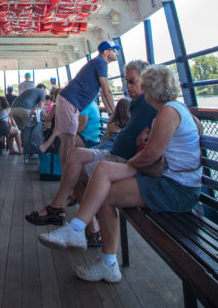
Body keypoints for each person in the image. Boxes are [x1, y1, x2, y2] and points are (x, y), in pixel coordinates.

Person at [37, 65, 201, 285]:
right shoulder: (173, 108)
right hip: (168, 180)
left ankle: (81, 234)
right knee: (104, 180)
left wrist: (128, 165)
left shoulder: (168, 112)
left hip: (177, 189)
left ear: (150, 89)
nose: (133, 87)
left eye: (139, 83)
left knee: (105, 177)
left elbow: (150, 156)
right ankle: (99, 254)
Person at [24, 61, 156, 231]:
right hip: (112, 151)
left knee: (75, 167)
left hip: (122, 159)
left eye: (132, 82)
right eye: (126, 81)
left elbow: (172, 123)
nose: (127, 86)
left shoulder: (152, 105)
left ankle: (86, 229)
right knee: (74, 155)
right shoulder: (136, 104)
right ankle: (59, 207)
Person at [55, 41, 118, 169]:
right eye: (114, 50)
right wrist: (116, 114)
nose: (117, 53)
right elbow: (106, 90)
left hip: (68, 100)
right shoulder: (101, 62)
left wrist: (112, 113)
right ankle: (66, 174)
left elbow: (103, 93)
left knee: (67, 140)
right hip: (70, 101)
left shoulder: (97, 62)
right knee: (69, 141)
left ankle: (65, 172)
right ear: (106, 52)